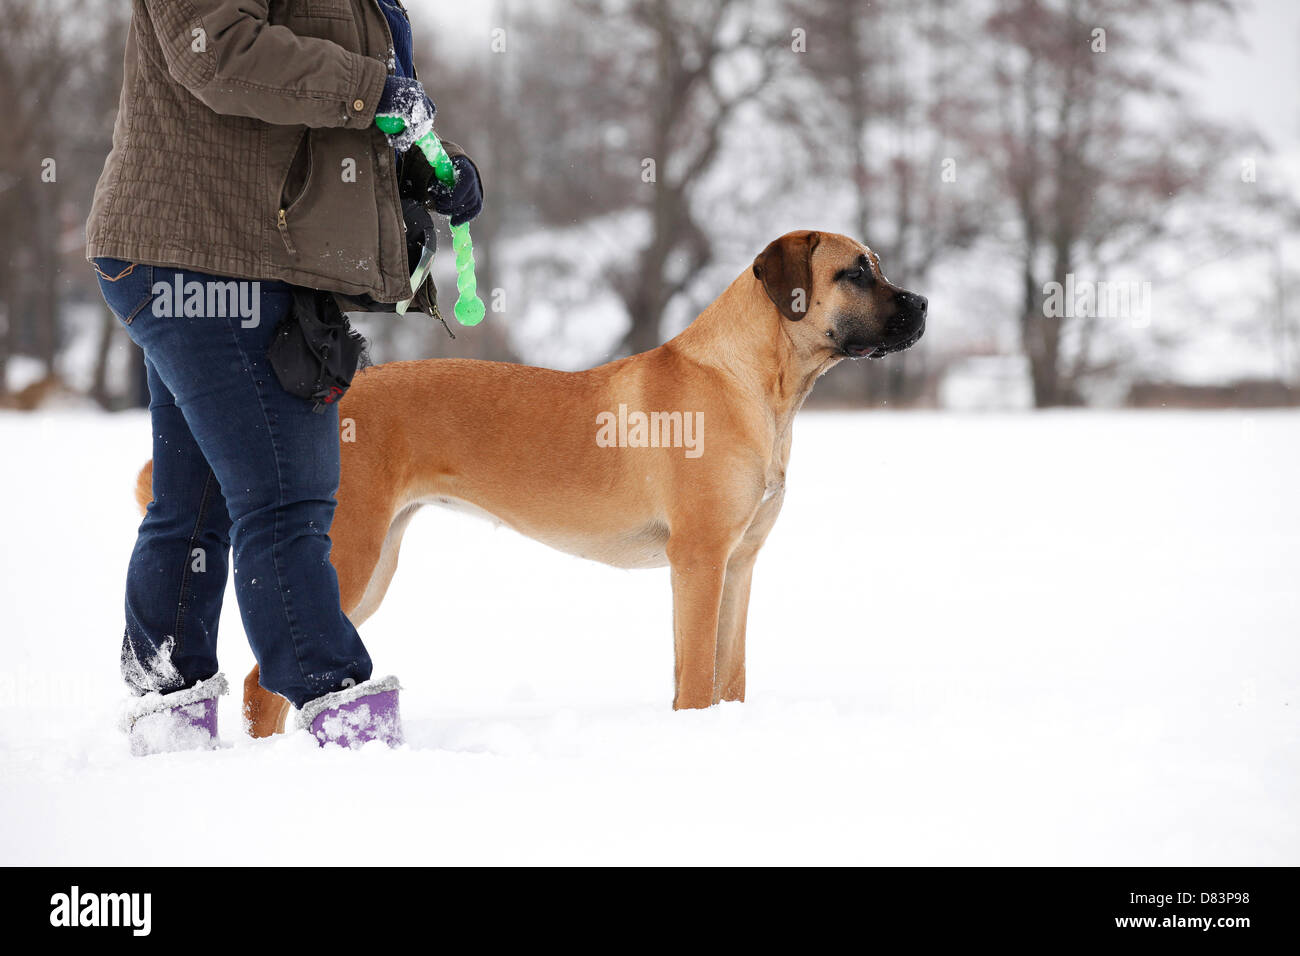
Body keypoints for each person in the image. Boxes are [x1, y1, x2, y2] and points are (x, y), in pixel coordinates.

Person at [87, 0, 482, 754]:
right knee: (285, 497)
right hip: (205, 255)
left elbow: (321, 106)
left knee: (194, 503)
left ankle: (169, 718)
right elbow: (215, 50)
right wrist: (373, 91)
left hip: (220, 255)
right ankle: (342, 720)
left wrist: (425, 160)